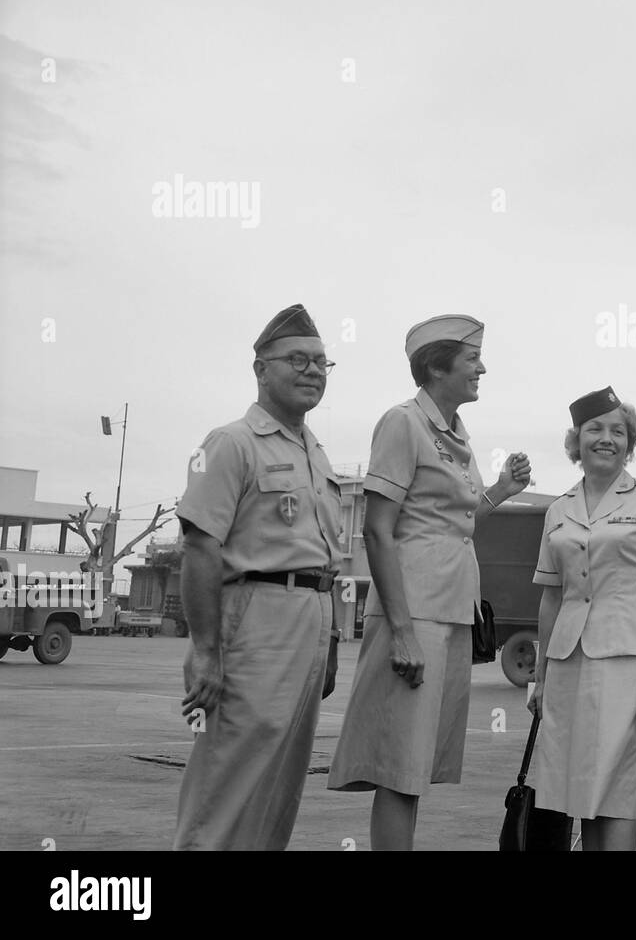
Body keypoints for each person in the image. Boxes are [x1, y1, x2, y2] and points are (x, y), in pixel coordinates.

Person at [327, 315, 532, 850]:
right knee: (398, 767)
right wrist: (400, 630)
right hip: (414, 615)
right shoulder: (403, 423)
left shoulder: (455, 433)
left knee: (416, 767)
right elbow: (378, 528)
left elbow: (458, 524)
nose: (482, 368)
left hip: (449, 614)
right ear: (438, 366)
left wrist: (503, 490)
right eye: (471, 359)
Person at [174, 303, 346, 850]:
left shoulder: (315, 453)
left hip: (312, 622)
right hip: (255, 620)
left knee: (280, 784)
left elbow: (327, 559)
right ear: (260, 368)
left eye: (322, 362)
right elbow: (201, 547)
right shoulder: (230, 443)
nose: (313, 371)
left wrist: (334, 638)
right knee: (229, 773)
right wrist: (205, 650)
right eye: (298, 359)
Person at [528, 388, 636, 852]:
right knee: (581, 794)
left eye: (618, 431)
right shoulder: (559, 509)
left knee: (617, 793)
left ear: (630, 443)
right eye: (595, 430)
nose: (607, 439)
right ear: (576, 441)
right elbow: (551, 598)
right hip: (568, 664)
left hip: (629, 661)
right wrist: (540, 677)